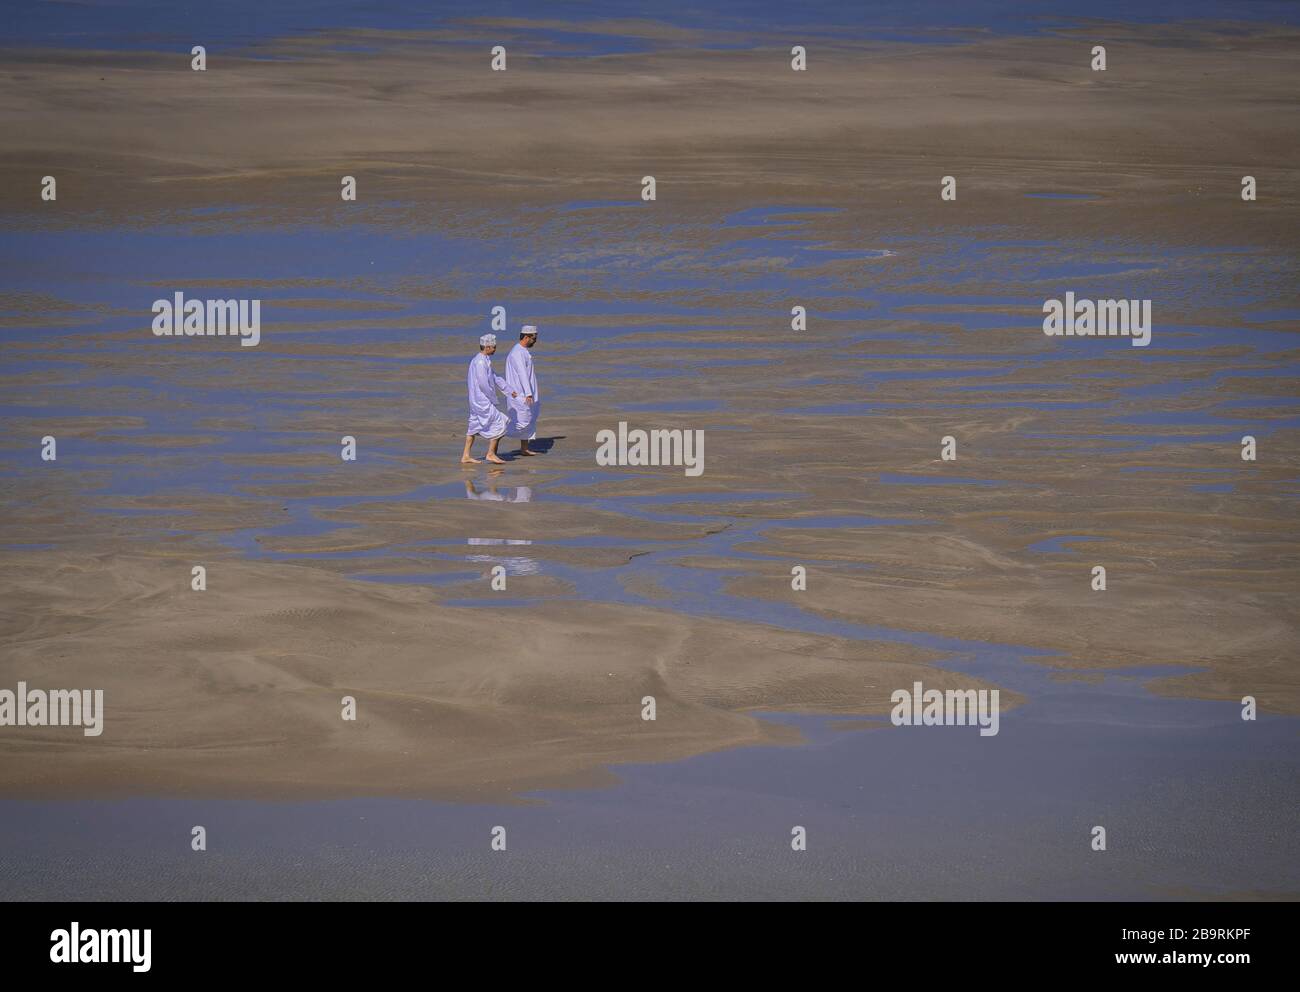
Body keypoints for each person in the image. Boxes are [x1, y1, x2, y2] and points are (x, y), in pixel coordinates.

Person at [462, 333, 514, 465]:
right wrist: (492, 397)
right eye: (494, 347)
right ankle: (490, 454)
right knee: (501, 422)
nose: (495, 349)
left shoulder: (482, 360)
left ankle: (466, 455)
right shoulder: (480, 362)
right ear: (488, 347)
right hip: (482, 401)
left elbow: (495, 377)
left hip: (476, 401)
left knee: (473, 426)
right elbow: (483, 383)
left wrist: (509, 390)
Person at [504, 324, 540, 455]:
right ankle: (496, 434)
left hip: (527, 393)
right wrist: (528, 394)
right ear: (526, 337)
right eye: (534, 338)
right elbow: (522, 373)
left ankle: (524, 449)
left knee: (529, 419)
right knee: (521, 423)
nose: (535, 341)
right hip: (521, 394)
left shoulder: (523, 351)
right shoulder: (517, 352)